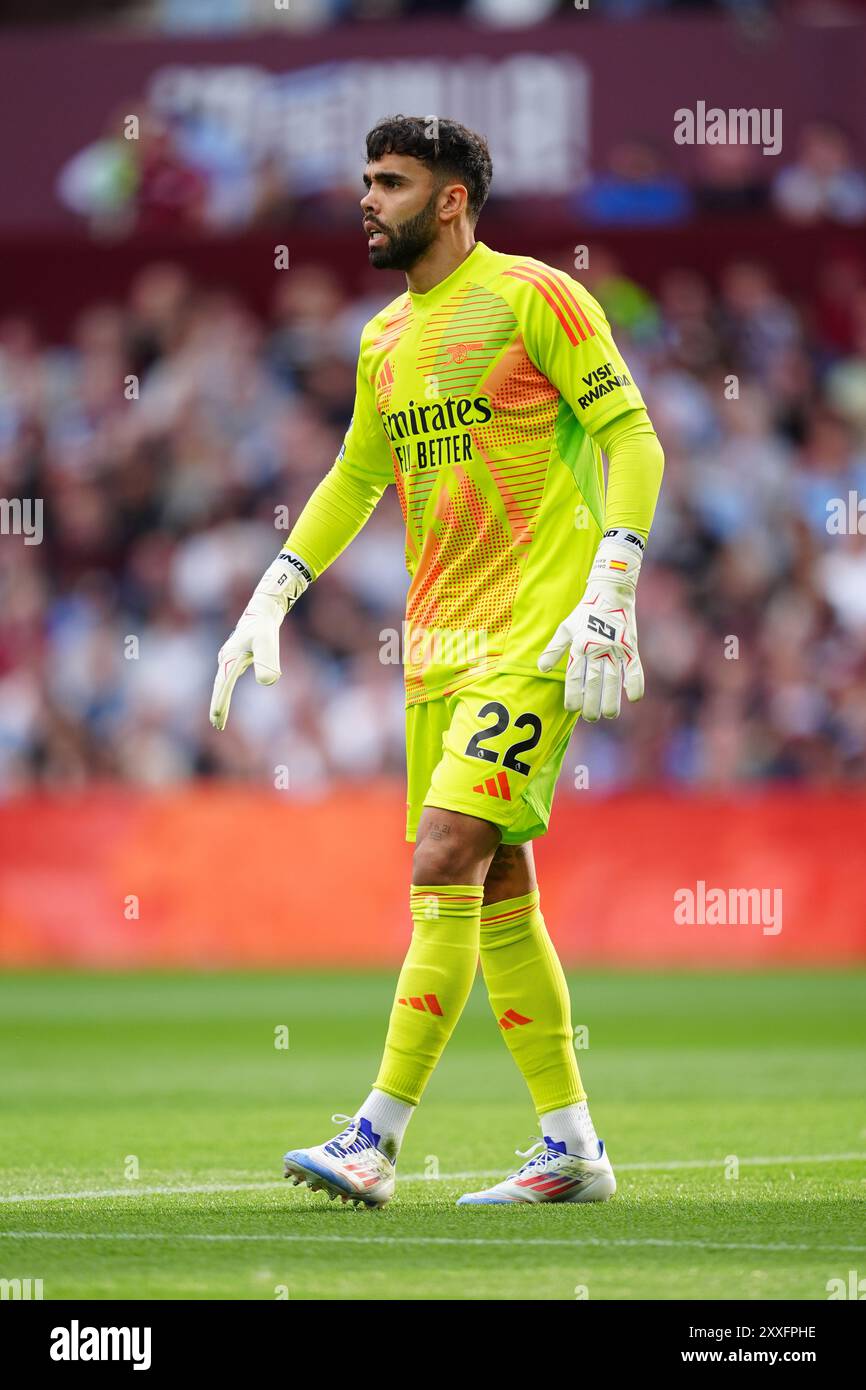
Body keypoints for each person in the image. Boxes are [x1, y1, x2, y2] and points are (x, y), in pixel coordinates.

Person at [209, 115, 664, 1207]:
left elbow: (633, 440)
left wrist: (611, 583)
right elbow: (354, 480)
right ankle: (572, 1150)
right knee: (496, 882)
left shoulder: (532, 297)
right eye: (364, 179)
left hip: (534, 632)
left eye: (389, 181)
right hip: (436, 649)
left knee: (444, 856)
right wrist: (270, 595)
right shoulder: (380, 341)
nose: (365, 198)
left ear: (450, 198)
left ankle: (374, 1136)